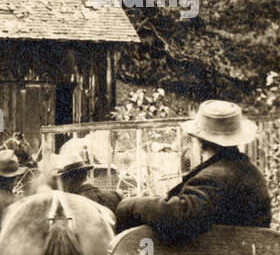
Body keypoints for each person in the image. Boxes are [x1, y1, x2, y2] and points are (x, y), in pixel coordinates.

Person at [116, 100, 271, 242]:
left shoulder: (214, 178)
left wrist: (130, 205)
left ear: (202, 144)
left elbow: (181, 216)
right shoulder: (252, 172)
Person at [53, 149, 121, 213]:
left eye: (63, 181)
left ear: (69, 179)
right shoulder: (115, 196)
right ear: (85, 174)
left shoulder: (71, 203)